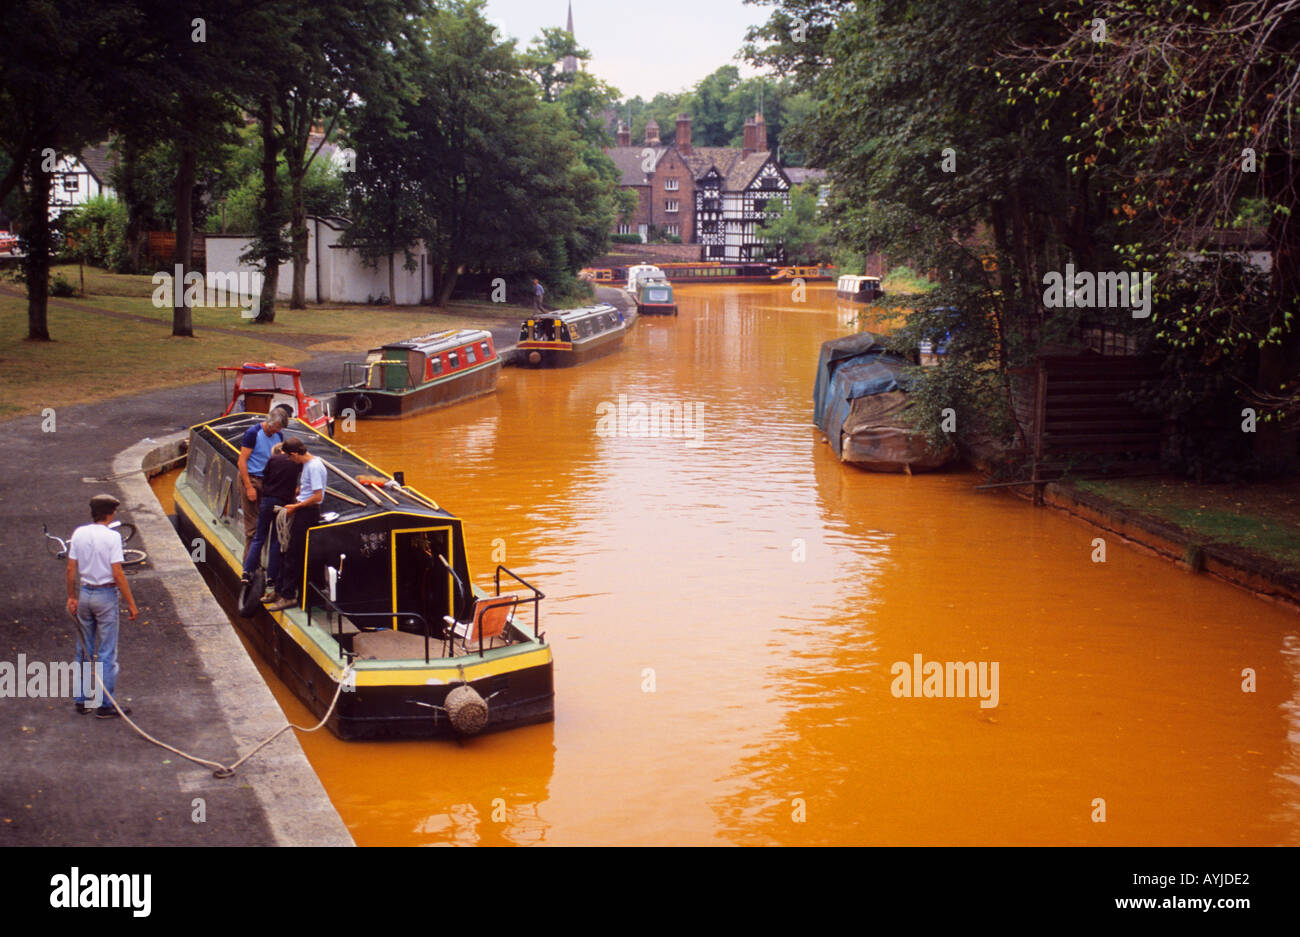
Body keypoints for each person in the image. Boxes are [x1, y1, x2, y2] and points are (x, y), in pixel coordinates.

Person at [65, 494, 139, 718]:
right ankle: (105, 704)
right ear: (111, 514)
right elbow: (117, 572)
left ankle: (81, 699)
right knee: (107, 652)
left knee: (84, 649)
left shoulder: (79, 533)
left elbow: (70, 569)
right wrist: (131, 603)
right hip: (106, 595)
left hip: (85, 592)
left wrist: (72, 596)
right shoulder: (113, 537)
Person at [268, 437, 326, 611]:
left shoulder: (314, 467)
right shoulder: (311, 464)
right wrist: (298, 491)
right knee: (287, 552)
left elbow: (318, 496)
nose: (291, 461)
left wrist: (296, 506)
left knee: (293, 554)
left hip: (307, 513)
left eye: (290, 458)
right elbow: (310, 489)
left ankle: (288, 596)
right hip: (302, 510)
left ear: (294, 454)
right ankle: (283, 591)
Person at [244, 445, 303, 602]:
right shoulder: (296, 463)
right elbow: (297, 483)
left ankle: (247, 571)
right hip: (283, 504)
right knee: (277, 541)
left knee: (259, 537)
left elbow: (265, 479)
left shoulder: (272, 460)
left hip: (267, 501)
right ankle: (271, 577)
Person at [237, 411, 287, 564]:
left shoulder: (279, 436)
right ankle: (249, 568)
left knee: (268, 524)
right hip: (252, 479)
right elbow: (242, 462)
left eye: (280, 428)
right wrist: (248, 487)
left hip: (267, 482)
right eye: (276, 427)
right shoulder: (253, 434)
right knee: (252, 529)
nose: (277, 431)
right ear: (270, 422)